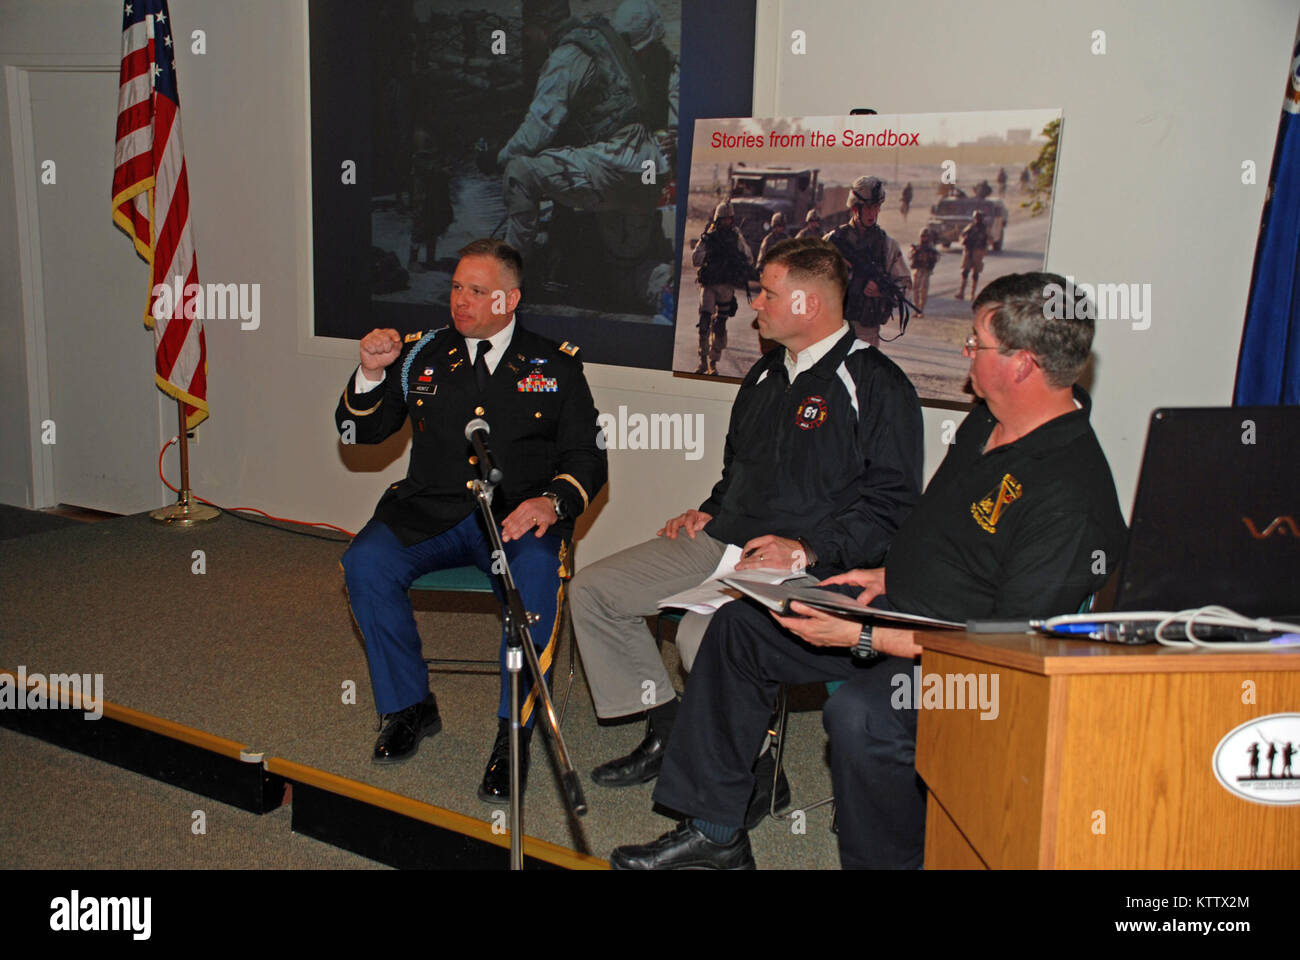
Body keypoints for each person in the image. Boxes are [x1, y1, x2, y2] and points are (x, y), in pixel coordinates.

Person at [610, 271, 1127, 870]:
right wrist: (887, 577)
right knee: (738, 629)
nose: (967, 356)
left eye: (976, 345)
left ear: (1022, 364)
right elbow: (942, 529)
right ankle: (715, 833)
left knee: (861, 716)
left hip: (969, 670)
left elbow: (1010, 646)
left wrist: (862, 635)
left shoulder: (1069, 490)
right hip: (904, 609)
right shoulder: (988, 420)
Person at [571, 237, 923, 803]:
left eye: (768, 292)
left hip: (814, 564)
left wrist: (804, 548)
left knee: (699, 634)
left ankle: (755, 770)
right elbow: (740, 469)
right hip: (725, 542)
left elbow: (892, 505)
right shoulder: (764, 374)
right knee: (593, 591)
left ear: (807, 304)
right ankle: (667, 731)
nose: (755, 302)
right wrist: (710, 509)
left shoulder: (876, 384)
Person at [335, 238, 607, 805]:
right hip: (429, 514)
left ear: (509, 300)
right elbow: (361, 432)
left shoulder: (555, 364)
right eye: (456, 287)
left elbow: (587, 457)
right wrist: (368, 372)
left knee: (533, 584)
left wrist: (553, 502)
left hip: (516, 519)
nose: (460, 301)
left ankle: (515, 732)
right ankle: (408, 706)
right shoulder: (421, 354)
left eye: (476, 291)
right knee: (364, 563)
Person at [497, 0, 677, 262]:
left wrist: (498, 158)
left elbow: (537, 130)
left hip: (614, 168)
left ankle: (508, 275)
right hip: (645, 173)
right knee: (626, 259)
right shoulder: (605, 44)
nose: (526, 40)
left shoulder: (569, 53)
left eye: (528, 31)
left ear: (542, 27)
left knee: (520, 172)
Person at [824, 176, 911, 347]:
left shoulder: (887, 245)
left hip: (867, 332)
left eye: (877, 207)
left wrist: (882, 292)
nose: (873, 213)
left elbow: (905, 284)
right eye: (868, 208)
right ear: (855, 208)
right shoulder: (833, 240)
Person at [691, 201, 755, 375]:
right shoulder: (709, 236)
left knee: (720, 325)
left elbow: (748, 257)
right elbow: (696, 258)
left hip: (726, 285)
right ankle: (702, 361)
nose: (727, 222)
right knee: (704, 322)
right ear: (718, 219)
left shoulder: (736, 237)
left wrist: (736, 262)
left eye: (729, 219)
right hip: (709, 284)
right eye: (724, 219)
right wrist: (709, 252)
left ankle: (713, 362)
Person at [958, 210, 990, 300]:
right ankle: (961, 292)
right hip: (969, 250)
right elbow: (962, 235)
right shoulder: (970, 227)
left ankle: (972, 294)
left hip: (978, 251)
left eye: (979, 218)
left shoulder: (984, 229)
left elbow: (987, 240)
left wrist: (984, 251)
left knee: (975, 273)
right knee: (965, 272)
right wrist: (964, 242)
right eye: (976, 218)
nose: (977, 219)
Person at [908, 228, 940, 317]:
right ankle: (916, 309)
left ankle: (921, 310)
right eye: (922, 236)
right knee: (915, 289)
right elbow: (910, 257)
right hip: (917, 270)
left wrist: (930, 256)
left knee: (923, 290)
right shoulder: (917, 247)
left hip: (925, 271)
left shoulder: (931, 248)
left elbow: (936, 258)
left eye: (925, 236)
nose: (924, 238)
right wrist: (914, 251)